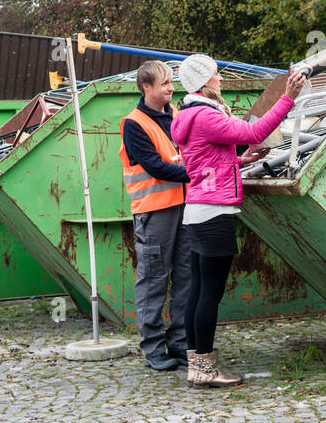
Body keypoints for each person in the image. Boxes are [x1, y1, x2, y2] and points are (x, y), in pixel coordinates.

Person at [171, 54, 305, 389]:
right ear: (204, 82)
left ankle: (196, 363)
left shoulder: (188, 113)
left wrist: (237, 159)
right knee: (209, 295)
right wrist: (287, 97)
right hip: (215, 212)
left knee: (198, 291)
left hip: (198, 208)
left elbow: (205, 157)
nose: (220, 79)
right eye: (216, 75)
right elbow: (256, 130)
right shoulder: (206, 115)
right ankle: (205, 368)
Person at [120, 59, 191, 372]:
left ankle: (179, 343)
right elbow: (155, 166)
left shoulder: (176, 115)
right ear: (147, 88)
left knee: (186, 277)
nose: (171, 88)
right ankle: (153, 348)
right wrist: (197, 173)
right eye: (164, 84)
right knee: (153, 280)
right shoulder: (133, 124)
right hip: (154, 213)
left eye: (171, 82)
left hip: (184, 206)